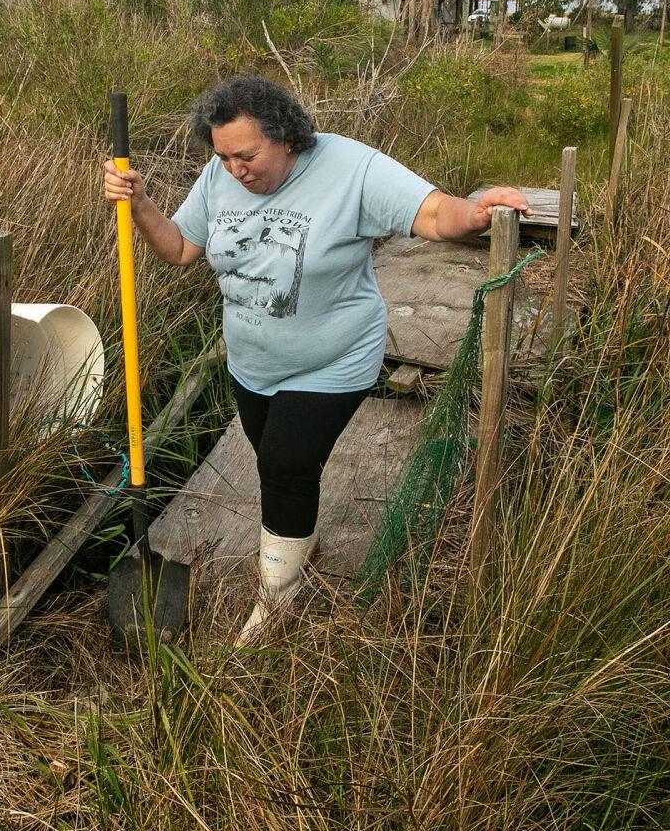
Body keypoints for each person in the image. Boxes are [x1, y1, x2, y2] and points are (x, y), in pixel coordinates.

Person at [102, 75, 528, 643]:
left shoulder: (350, 169)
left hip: (336, 359)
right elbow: (180, 248)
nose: (234, 170)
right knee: (280, 468)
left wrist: (475, 213)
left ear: (289, 138)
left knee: (283, 464)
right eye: (224, 157)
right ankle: (298, 543)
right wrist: (139, 206)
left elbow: (429, 214)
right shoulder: (219, 176)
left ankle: (275, 600)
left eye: (247, 156)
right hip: (251, 363)